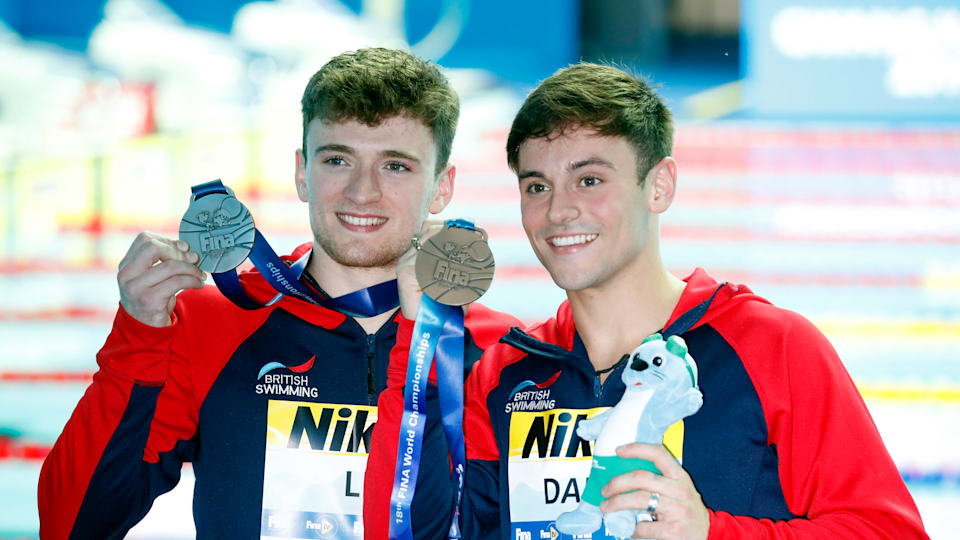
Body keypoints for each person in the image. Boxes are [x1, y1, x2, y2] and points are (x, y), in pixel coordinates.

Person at [390, 62, 929, 539]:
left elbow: (889, 531)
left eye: (590, 180)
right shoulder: (505, 374)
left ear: (660, 186)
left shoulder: (772, 347)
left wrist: (710, 534)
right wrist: (418, 346)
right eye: (537, 187)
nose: (558, 212)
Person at [38, 47, 474, 539]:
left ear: (442, 186)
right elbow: (70, 525)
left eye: (396, 166)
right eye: (337, 159)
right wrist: (137, 337)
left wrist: (424, 338)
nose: (362, 192)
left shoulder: (491, 352)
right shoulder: (211, 324)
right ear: (302, 173)